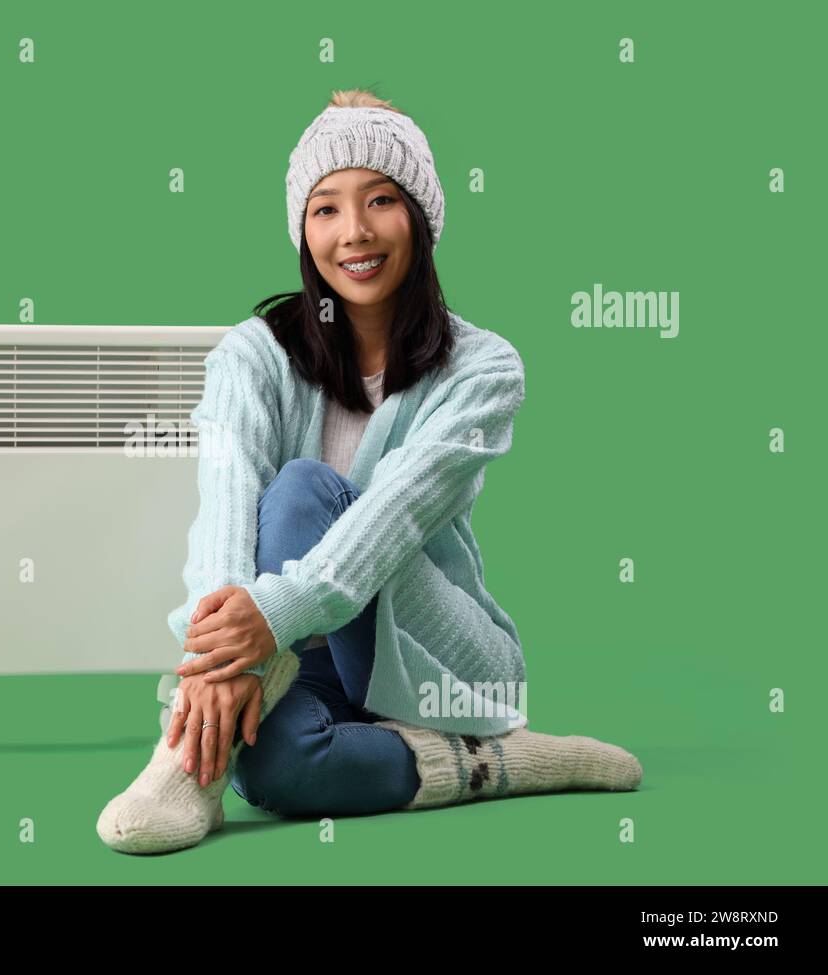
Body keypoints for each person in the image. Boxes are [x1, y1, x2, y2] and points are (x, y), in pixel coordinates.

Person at [98, 88, 642, 855]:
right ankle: (473, 765)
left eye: (381, 199)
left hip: (437, 655)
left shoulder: (482, 369)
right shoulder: (252, 356)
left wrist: (269, 617)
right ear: (302, 229)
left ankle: (190, 764)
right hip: (295, 662)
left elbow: (390, 521)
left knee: (302, 490)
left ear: (419, 217)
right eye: (325, 208)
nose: (353, 232)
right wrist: (213, 665)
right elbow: (220, 514)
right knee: (277, 771)